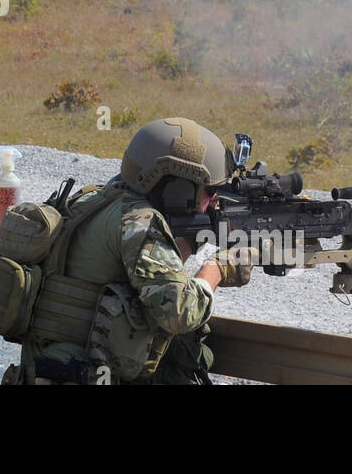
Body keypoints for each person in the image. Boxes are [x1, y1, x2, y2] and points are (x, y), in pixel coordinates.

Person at [15, 117, 250, 385]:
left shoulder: (94, 199)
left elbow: (135, 273)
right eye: (211, 191)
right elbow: (179, 312)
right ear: (177, 188)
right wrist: (217, 268)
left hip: (46, 369)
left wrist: (191, 240)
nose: (214, 201)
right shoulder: (141, 222)